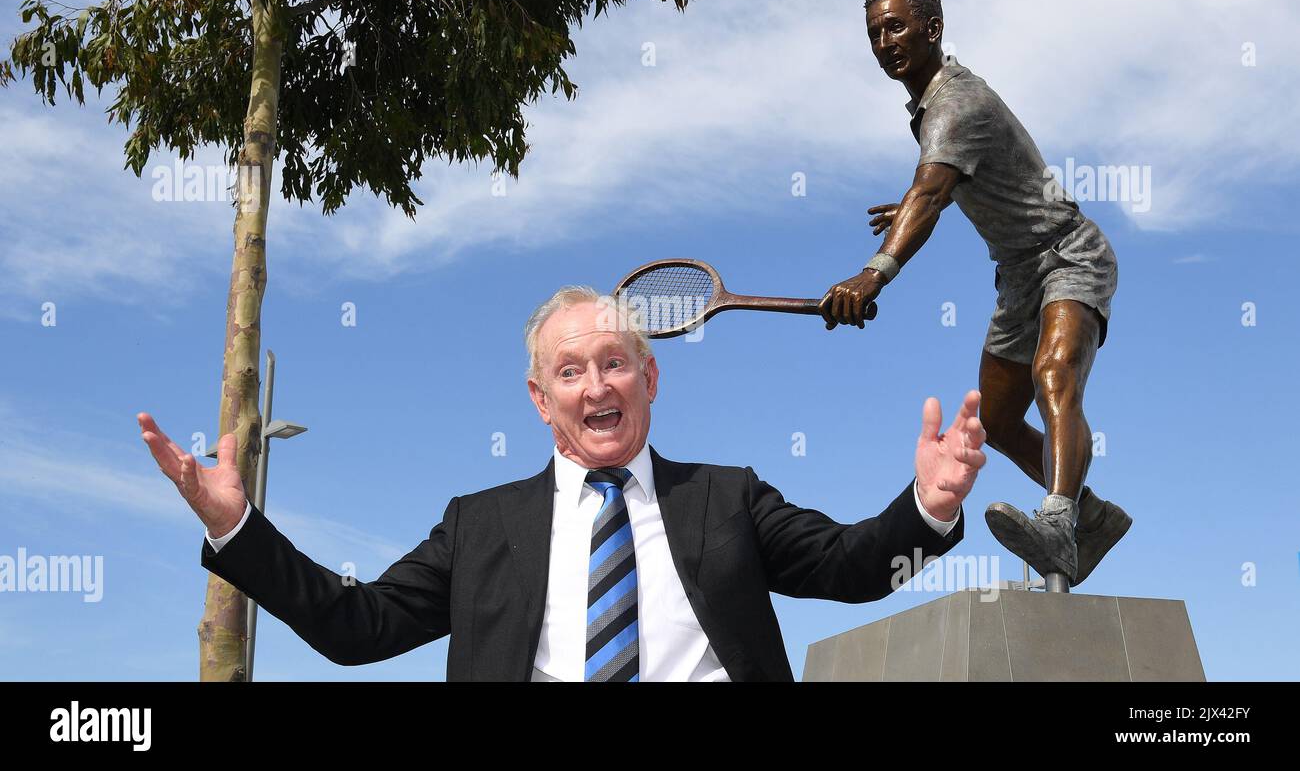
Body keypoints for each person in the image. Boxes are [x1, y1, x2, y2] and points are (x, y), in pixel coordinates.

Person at [139, 285, 988, 681]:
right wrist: (238, 529)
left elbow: (849, 568)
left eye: (615, 363)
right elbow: (354, 629)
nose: (596, 387)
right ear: (540, 400)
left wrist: (927, 508)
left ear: (650, 381)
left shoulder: (727, 499)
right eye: (571, 371)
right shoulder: (479, 527)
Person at [818, 0, 1130, 587]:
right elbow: (936, 188)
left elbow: (933, 191)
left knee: (1053, 375)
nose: (885, 43)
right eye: (875, 33)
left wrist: (874, 271)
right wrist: (917, 202)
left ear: (933, 29)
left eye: (897, 29)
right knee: (999, 421)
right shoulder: (930, 110)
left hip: (1069, 254)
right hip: (1017, 276)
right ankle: (1090, 513)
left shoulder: (956, 104)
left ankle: (1060, 518)